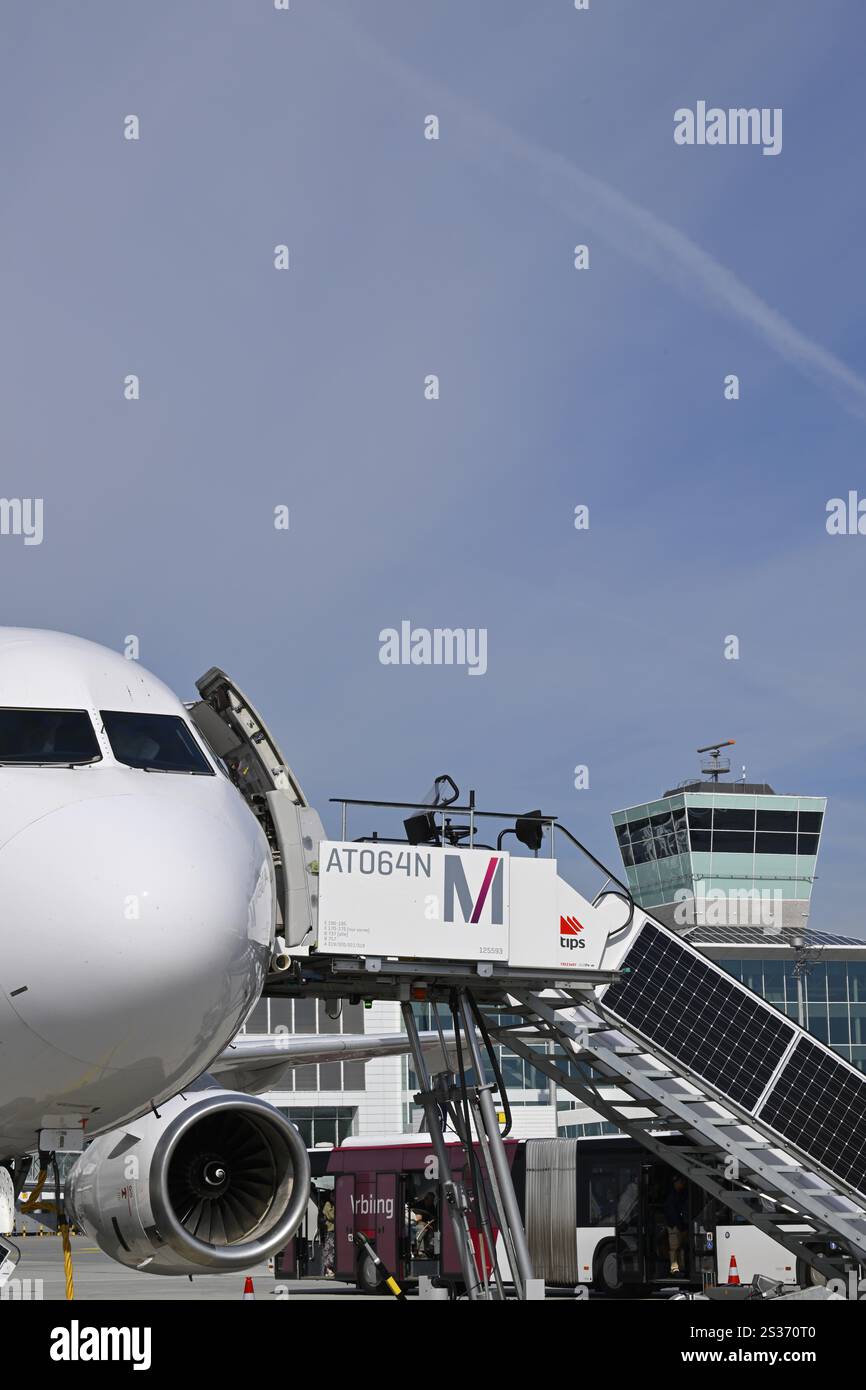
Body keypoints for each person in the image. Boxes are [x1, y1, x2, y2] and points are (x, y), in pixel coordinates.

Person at [664, 1176, 689, 1275]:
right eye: (680, 1182)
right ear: (676, 1183)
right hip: (674, 1226)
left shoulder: (677, 1194)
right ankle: (675, 1269)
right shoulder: (673, 1196)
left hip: (677, 1225)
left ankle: (679, 1268)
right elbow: (672, 1213)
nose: (682, 1184)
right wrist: (680, 1225)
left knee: (678, 1248)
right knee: (674, 1248)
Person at [320, 1194, 336, 1277]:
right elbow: (332, 1216)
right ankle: (328, 1269)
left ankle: (330, 1268)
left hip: (335, 1230)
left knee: (333, 1250)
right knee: (329, 1250)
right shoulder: (328, 1204)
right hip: (330, 1230)